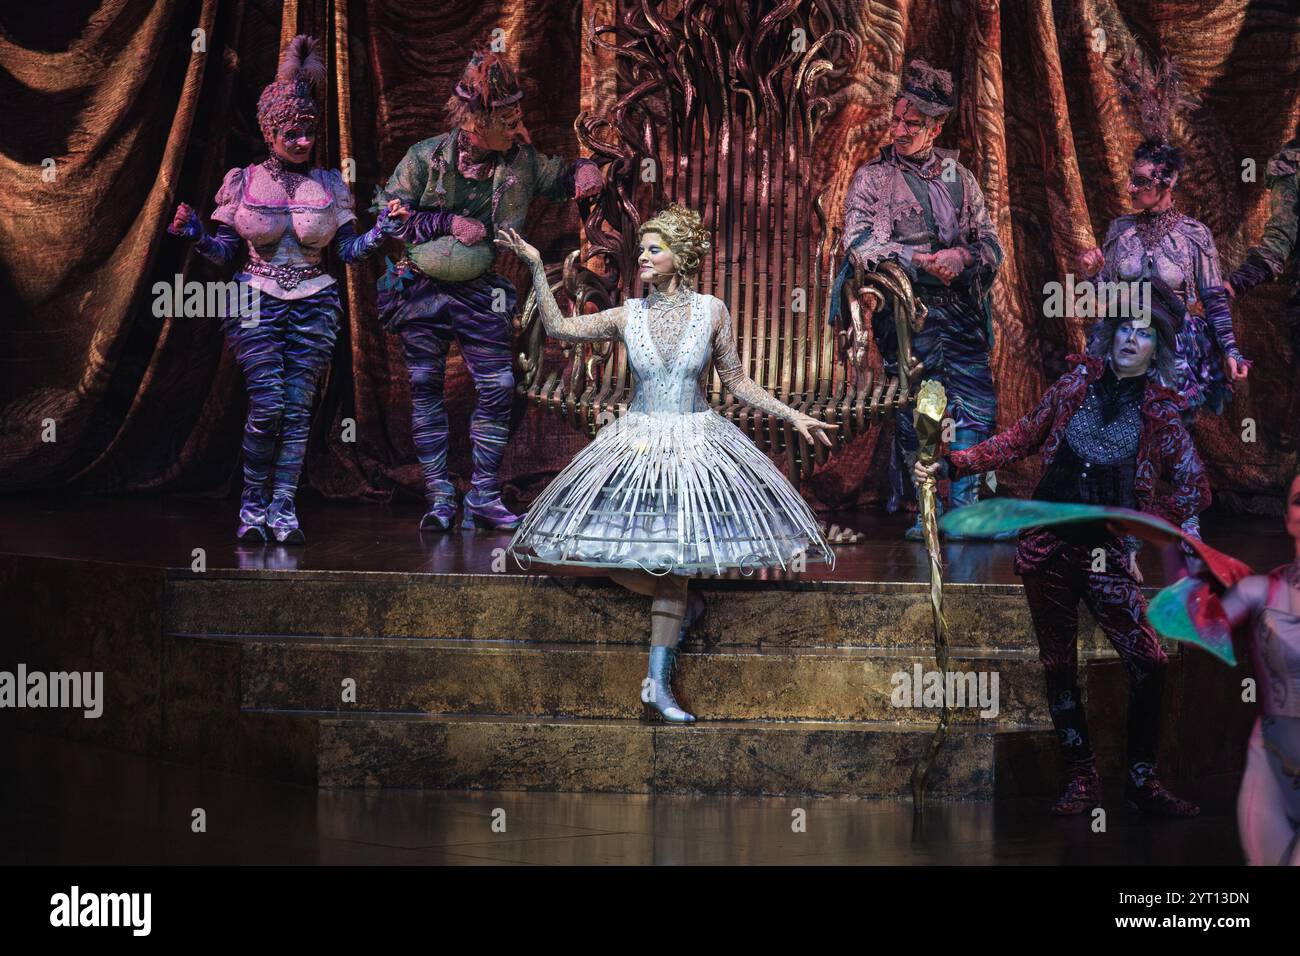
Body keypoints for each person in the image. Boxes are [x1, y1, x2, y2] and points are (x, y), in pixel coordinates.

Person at [495, 204, 835, 722]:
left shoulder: (712, 311)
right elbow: (561, 329)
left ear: (682, 256)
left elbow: (737, 382)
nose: (644, 258)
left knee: (677, 563)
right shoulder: (628, 313)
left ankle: (656, 681)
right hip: (637, 444)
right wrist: (538, 267)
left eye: (656, 249)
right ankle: (679, 607)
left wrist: (793, 415)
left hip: (696, 446)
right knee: (607, 552)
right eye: (643, 250)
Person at [915, 278, 1209, 816]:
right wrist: (955, 462)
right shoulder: (1075, 385)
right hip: (1048, 549)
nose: (1129, 340)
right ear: (1109, 333)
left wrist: (1141, 528)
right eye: (1123, 327)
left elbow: (1194, 487)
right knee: (1058, 666)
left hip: (1106, 558)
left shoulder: (1161, 413)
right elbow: (1023, 435)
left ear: (1157, 348)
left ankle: (1141, 781)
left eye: (1143, 334)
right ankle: (1080, 778)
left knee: (1150, 661)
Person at [168, 36, 397, 543]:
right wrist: (197, 236)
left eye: (309, 133)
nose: (302, 142)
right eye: (291, 133)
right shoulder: (243, 182)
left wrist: (382, 232)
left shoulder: (330, 185)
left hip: (315, 302)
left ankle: (283, 508)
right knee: (268, 402)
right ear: (270, 131)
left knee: (297, 408)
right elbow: (227, 253)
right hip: (255, 299)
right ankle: (252, 505)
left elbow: (346, 253)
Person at [374, 50, 603, 532]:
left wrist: (582, 171)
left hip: (481, 294)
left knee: (499, 386)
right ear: (476, 123)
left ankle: (482, 494)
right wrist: (442, 221)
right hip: (421, 291)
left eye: (518, 119)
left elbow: (559, 176)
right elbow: (388, 214)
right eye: (507, 121)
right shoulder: (426, 157)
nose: (518, 131)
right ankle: (438, 496)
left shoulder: (518, 163)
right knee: (424, 390)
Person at [837, 58, 1004, 537]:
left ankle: (966, 507)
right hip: (908, 312)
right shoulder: (873, 179)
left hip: (961, 309)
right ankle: (924, 506)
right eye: (897, 120)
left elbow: (991, 242)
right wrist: (920, 262)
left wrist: (962, 257)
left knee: (975, 404)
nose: (901, 130)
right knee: (921, 405)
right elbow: (860, 242)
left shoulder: (960, 178)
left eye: (913, 123)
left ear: (936, 127)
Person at [1077, 53, 1249, 423]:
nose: (1130, 187)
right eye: (1130, 177)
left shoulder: (1193, 236)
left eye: (1139, 181)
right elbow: (1104, 296)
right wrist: (1094, 274)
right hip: (1123, 346)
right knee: (1118, 436)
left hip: (1172, 351)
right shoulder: (1120, 230)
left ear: (1167, 184)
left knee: (1167, 436)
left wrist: (1231, 351)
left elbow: (1214, 299)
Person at [1151, 470, 1300, 865]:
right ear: (1287, 518)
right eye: (1299, 501)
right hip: (1269, 760)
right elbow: (1197, 624)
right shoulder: (1260, 590)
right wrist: (1169, 546)